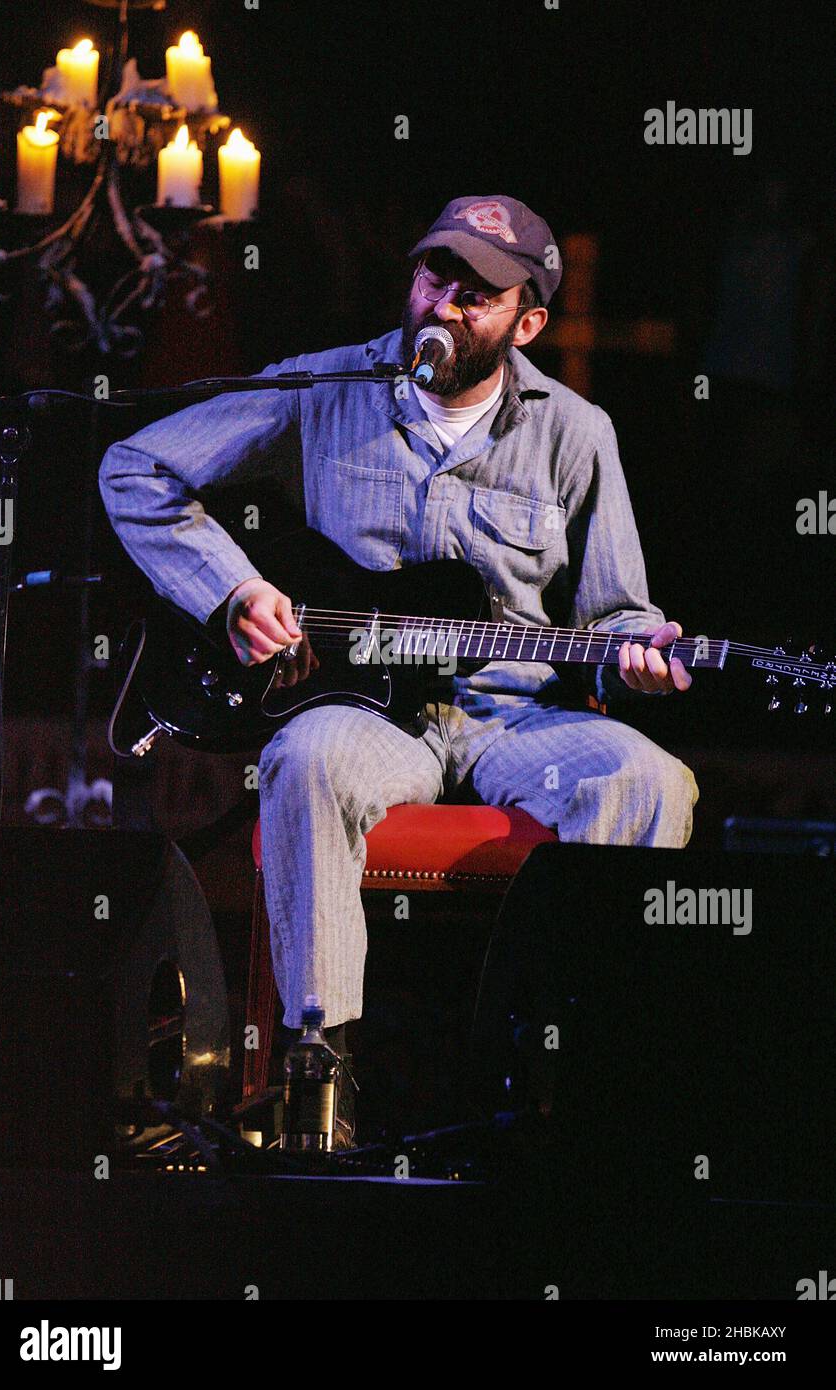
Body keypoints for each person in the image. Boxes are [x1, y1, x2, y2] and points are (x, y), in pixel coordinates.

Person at [100, 194, 699, 1146]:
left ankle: (576, 1075)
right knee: (309, 756)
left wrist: (641, 663)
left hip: (516, 720)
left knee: (650, 781)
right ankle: (316, 1082)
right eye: (436, 277)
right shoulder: (321, 388)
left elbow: (615, 621)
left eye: (480, 294)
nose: (447, 305)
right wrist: (234, 592)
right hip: (377, 718)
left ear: (526, 321)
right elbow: (138, 469)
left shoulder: (579, 433)